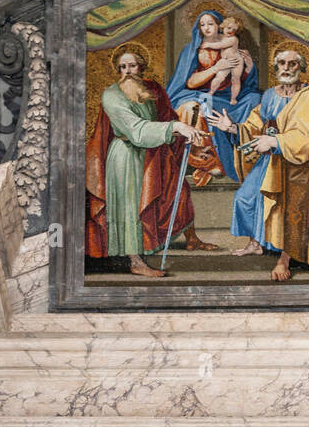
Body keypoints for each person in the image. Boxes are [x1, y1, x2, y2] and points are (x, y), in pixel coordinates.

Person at [86, 45, 218, 277]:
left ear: (141, 67)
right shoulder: (112, 95)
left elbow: (167, 117)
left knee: (178, 190)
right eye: (123, 67)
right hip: (127, 156)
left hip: (156, 151)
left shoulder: (152, 89)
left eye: (132, 65)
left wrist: (183, 132)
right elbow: (136, 130)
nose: (127, 71)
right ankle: (135, 261)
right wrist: (175, 128)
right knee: (131, 207)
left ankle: (192, 239)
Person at [207, 48, 309, 282]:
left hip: (300, 165)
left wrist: (276, 141)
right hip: (271, 160)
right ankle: (256, 243)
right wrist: (232, 127)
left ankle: (284, 258)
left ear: (301, 68)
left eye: (293, 64)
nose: (287, 68)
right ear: (276, 67)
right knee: (245, 198)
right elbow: (254, 124)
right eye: (282, 63)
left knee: (289, 209)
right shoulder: (271, 95)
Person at [166, 9, 261, 186]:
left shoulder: (231, 44)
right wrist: (216, 68)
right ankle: (208, 160)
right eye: (202, 25)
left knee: (255, 99)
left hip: (229, 96)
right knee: (196, 106)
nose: (207, 28)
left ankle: (247, 155)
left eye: (210, 24)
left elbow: (244, 80)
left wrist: (248, 65)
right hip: (202, 95)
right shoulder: (193, 50)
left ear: (220, 25)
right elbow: (191, 82)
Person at [202, 17, 253, 105]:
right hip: (226, 61)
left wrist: (209, 45)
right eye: (229, 28)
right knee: (219, 77)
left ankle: (233, 99)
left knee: (235, 80)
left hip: (237, 62)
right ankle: (211, 91)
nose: (231, 31)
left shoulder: (233, 39)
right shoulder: (222, 37)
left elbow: (221, 45)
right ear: (224, 26)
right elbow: (218, 40)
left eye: (234, 30)